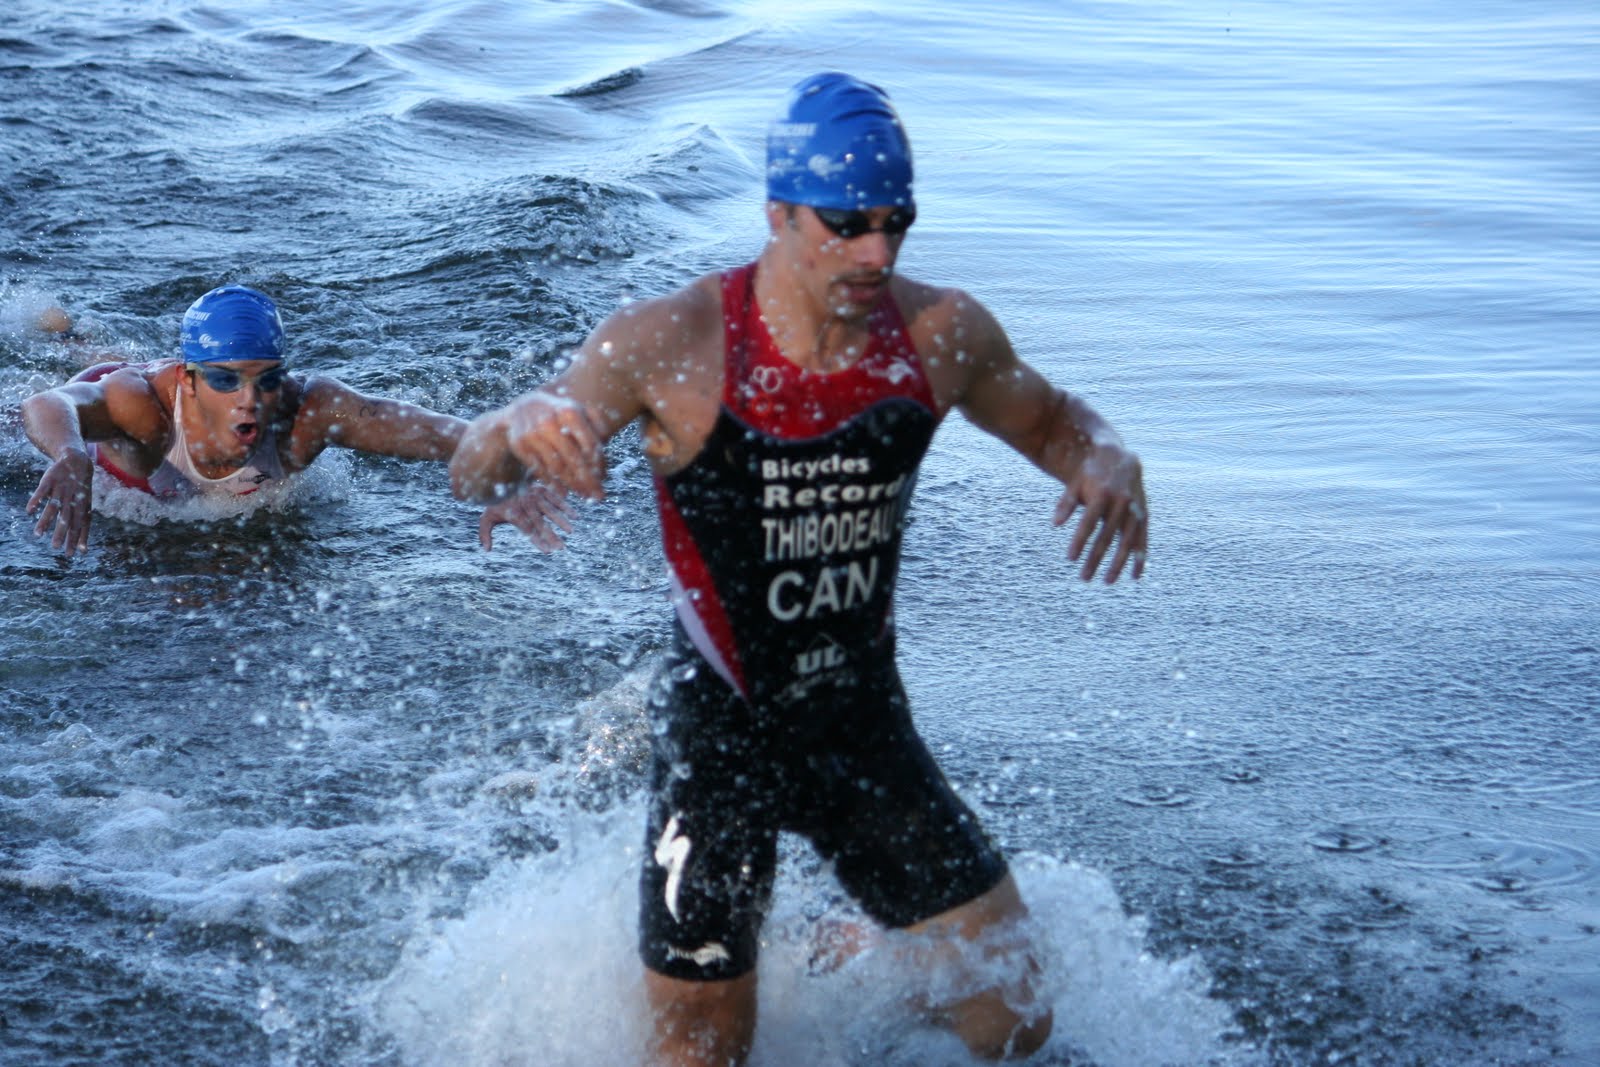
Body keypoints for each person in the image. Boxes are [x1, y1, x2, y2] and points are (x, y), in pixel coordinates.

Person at [450, 72, 1149, 1064]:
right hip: (719, 739)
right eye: (847, 223)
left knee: (1015, 1012)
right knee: (699, 1055)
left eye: (895, 223)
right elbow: (471, 468)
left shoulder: (940, 334)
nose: (876, 252)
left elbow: (1055, 421)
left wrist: (1106, 455)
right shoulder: (667, 343)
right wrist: (515, 423)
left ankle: (862, 963)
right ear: (777, 211)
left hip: (857, 723)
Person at [22, 285, 572, 557]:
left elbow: (438, 432)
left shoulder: (308, 411)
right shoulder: (140, 407)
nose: (249, 401)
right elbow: (45, 406)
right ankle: (65, 333)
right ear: (189, 381)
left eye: (265, 380)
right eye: (225, 381)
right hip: (114, 418)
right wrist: (69, 453)